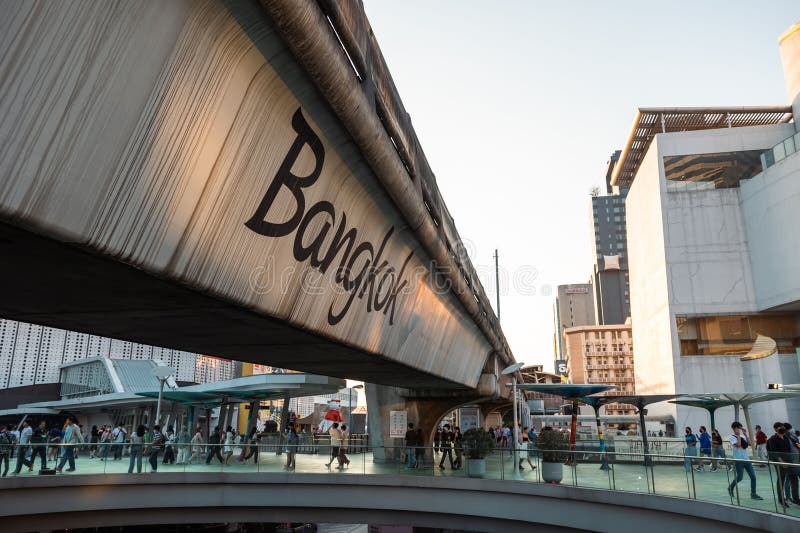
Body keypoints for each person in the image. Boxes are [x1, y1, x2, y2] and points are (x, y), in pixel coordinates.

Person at [727, 421, 763, 500]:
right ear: (733, 428)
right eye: (737, 428)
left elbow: (750, 444)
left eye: (739, 428)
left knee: (753, 477)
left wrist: (745, 434)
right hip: (738, 460)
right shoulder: (732, 437)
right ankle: (730, 487)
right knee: (740, 477)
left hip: (746, 459)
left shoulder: (742, 436)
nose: (738, 429)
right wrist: (738, 435)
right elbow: (738, 445)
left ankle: (753, 494)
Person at [766, 422, 796, 507]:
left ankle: (795, 499)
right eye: (780, 427)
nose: (782, 428)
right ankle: (781, 500)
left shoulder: (786, 437)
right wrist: (781, 462)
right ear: (776, 429)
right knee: (781, 480)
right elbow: (774, 453)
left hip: (789, 462)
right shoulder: (772, 439)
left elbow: (789, 450)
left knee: (793, 479)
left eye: (782, 426)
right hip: (780, 463)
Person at [782, 422, 800, 504]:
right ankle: (789, 497)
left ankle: (795, 498)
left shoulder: (794, 437)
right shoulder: (783, 438)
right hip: (790, 464)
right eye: (789, 429)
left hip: (797, 462)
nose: (791, 430)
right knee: (789, 481)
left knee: (794, 481)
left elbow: (798, 446)